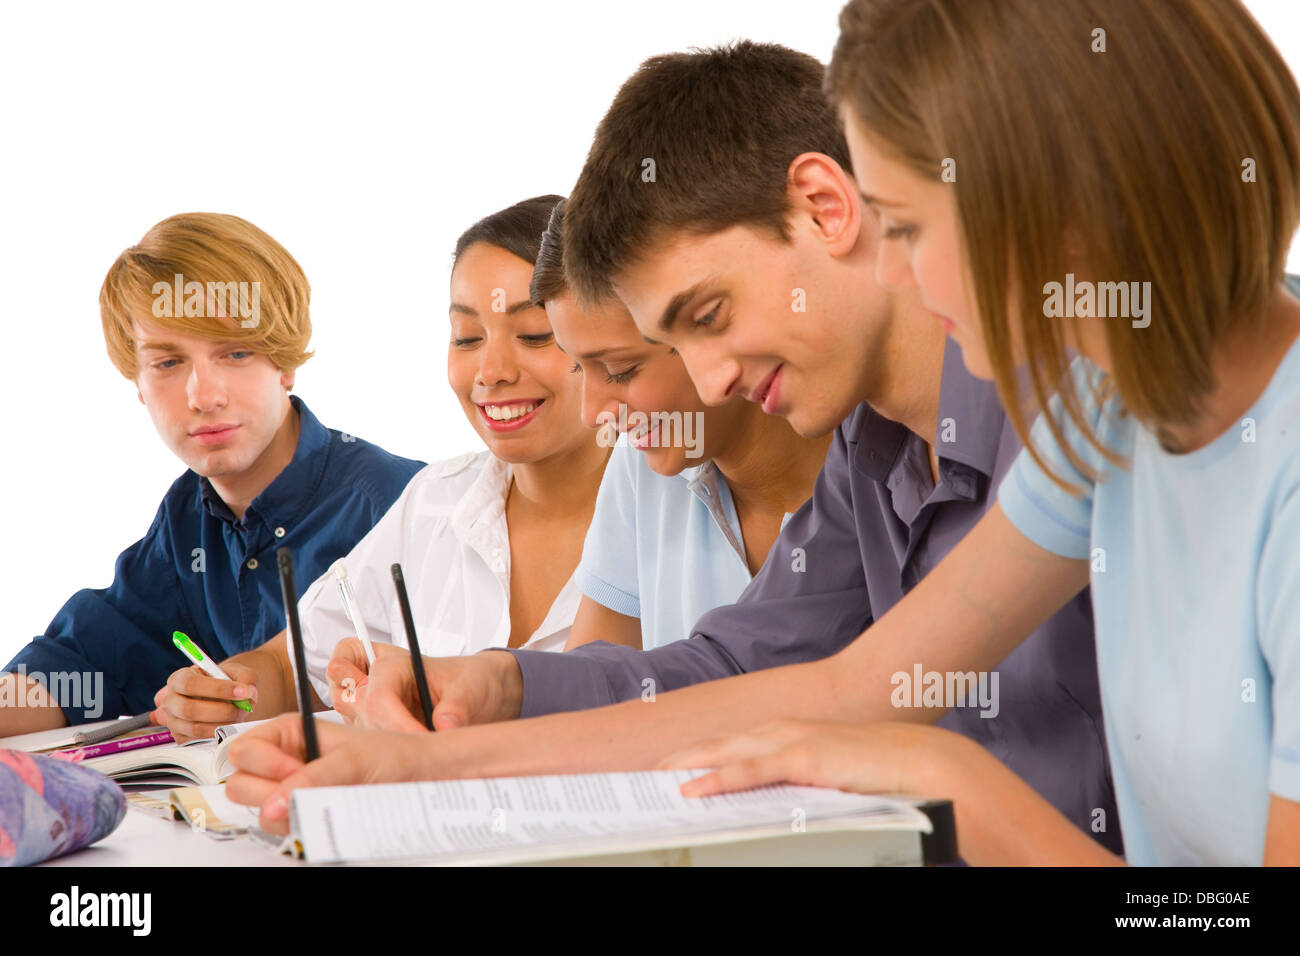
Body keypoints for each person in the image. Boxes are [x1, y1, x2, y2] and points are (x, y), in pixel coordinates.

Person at [226, 41, 1119, 856]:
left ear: (824, 206)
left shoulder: (1096, 406)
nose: (712, 382)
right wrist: (482, 707)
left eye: (709, 315)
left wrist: (931, 773)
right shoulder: (871, 445)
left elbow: (855, 695)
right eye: (675, 340)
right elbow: (750, 671)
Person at [663, 0, 1300, 866]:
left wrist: (950, 779)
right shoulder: (1111, 409)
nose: (892, 272)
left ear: (1053, 197)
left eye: (910, 226)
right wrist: (441, 758)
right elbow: (857, 688)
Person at [157, 196, 613, 740]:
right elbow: (290, 666)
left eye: (535, 334)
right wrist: (231, 691)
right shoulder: (435, 500)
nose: (490, 372)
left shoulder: (675, 508)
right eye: (466, 338)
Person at [0, 212, 423, 734]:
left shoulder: (405, 505)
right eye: (167, 363)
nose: (203, 396)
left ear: (285, 362)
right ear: (137, 383)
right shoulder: (187, 519)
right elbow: (81, 661)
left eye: (236, 352)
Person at [534, 200, 831, 653]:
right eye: (578, 368)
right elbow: (595, 684)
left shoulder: (876, 479)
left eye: (620, 369)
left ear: (712, 321)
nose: (591, 415)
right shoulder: (642, 461)